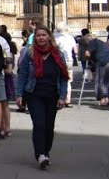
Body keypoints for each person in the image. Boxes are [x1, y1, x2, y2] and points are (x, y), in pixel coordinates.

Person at [14, 25, 69, 170]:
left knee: (49, 127)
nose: (41, 38)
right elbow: (23, 75)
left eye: (44, 35)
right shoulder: (29, 54)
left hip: (52, 95)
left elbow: (64, 77)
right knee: (39, 125)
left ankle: (45, 152)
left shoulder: (58, 54)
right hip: (34, 94)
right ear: (35, 38)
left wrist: (62, 96)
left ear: (49, 37)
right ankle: (40, 155)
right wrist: (19, 94)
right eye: (38, 35)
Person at [52, 24, 78, 107]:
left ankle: (57, 98)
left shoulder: (54, 37)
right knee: (68, 80)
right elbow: (76, 51)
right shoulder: (70, 37)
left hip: (57, 59)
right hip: (68, 60)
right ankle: (67, 100)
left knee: (56, 78)